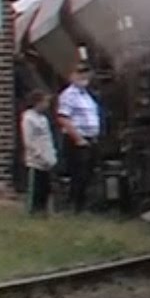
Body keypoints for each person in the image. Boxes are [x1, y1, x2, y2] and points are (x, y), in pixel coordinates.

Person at [56, 65, 102, 214]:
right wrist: (78, 139)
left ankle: (84, 204)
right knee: (79, 174)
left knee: (88, 173)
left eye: (86, 74)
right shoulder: (69, 95)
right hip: (77, 140)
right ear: (71, 76)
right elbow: (63, 118)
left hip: (90, 139)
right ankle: (75, 206)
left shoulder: (86, 95)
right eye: (80, 73)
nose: (84, 77)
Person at [20, 90, 59, 216]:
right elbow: (28, 141)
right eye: (45, 101)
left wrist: (51, 156)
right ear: (37, 102)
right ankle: (32, 211)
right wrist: (38, 155)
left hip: (47, 160)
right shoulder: (28, 118)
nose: (47, 104)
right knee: (35, 188)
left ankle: (44, 211)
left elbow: (47, 138)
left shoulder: (43, 119)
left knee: (45, 188)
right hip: (35, 161)